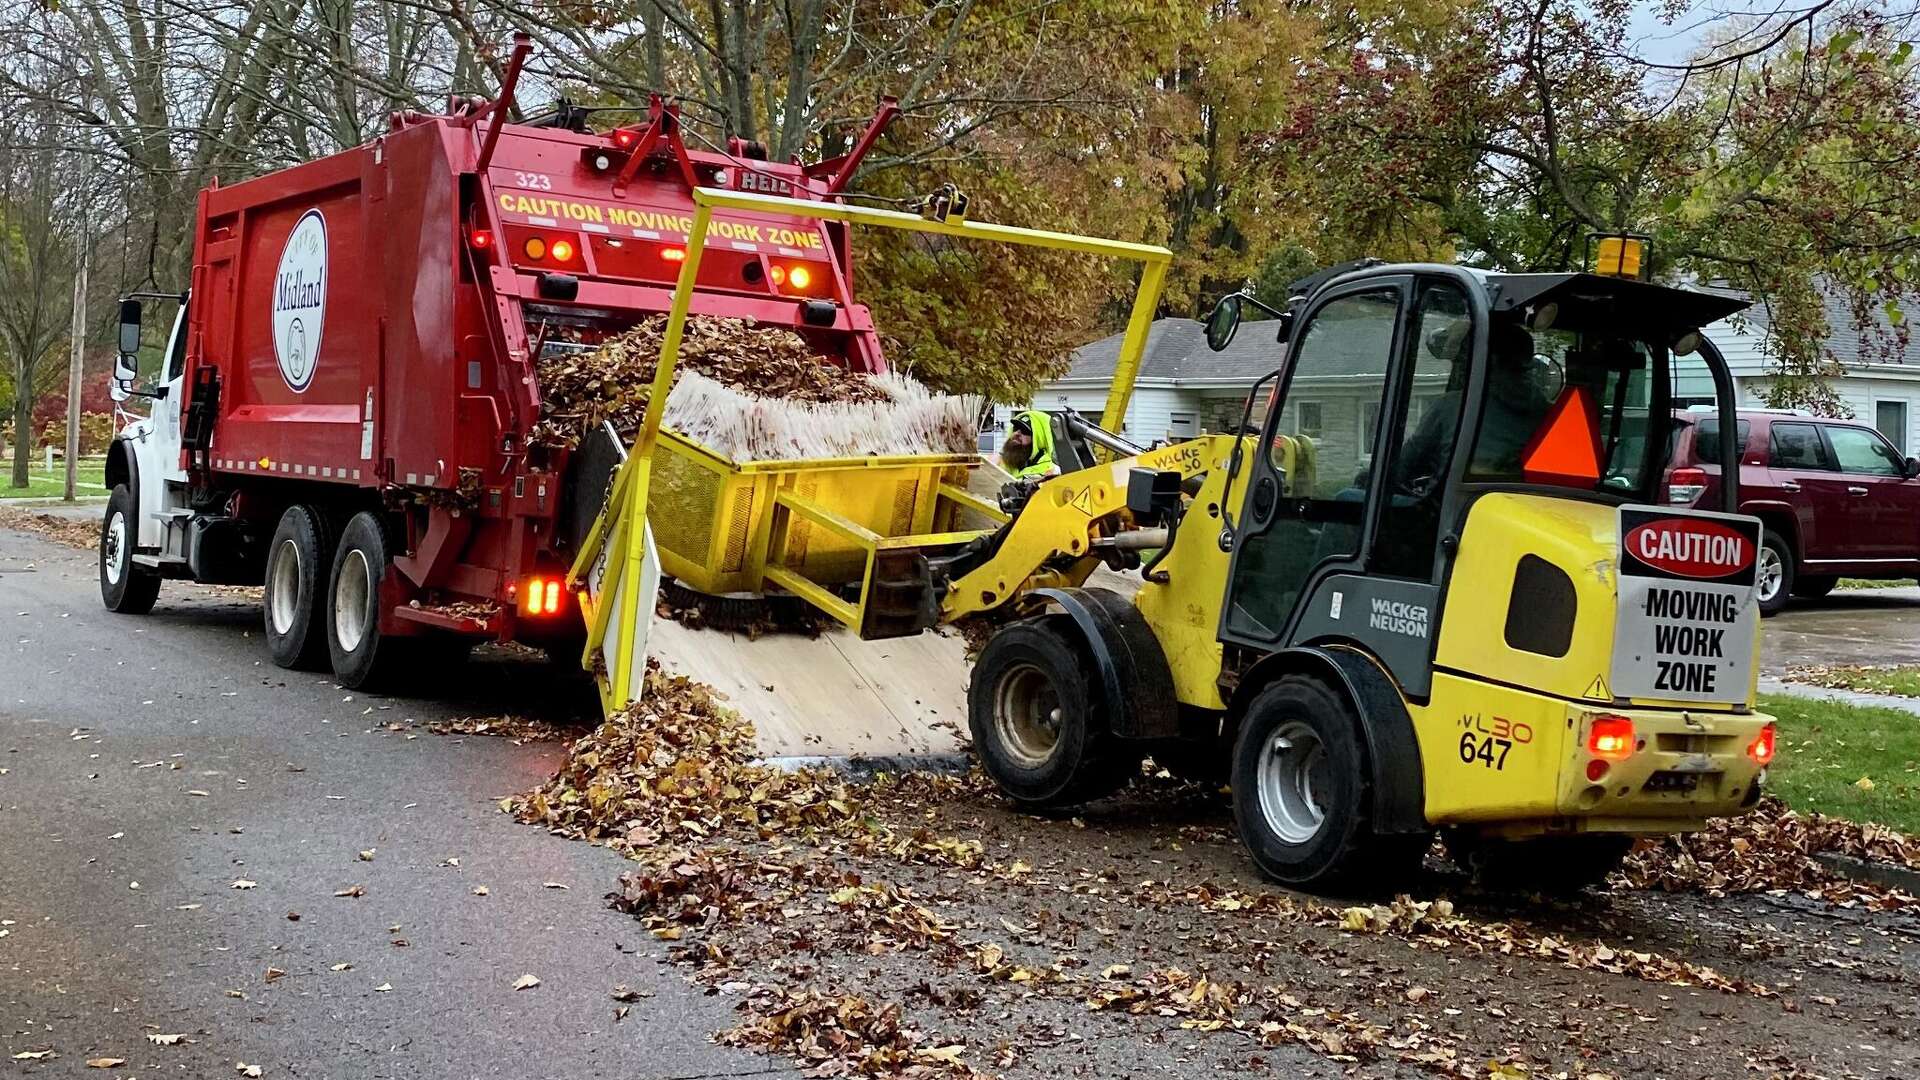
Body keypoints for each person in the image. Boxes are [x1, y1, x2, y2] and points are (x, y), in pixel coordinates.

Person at [1000, 409, 1061, 479]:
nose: (1017, 433)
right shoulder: (998, 464)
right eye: (1015, 428)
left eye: (1024, 431)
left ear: (1039, 439)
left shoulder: (1053, 474)